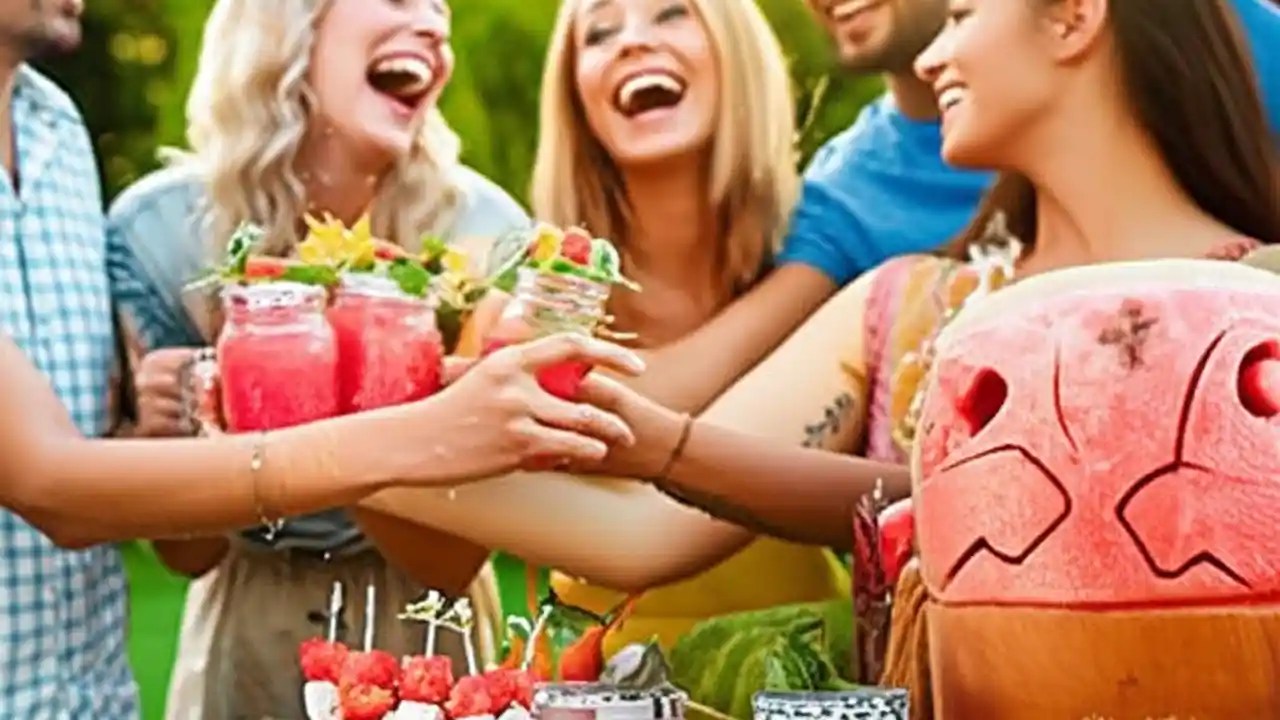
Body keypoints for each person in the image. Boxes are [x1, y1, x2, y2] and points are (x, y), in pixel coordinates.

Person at [356, 0, 1277, 701]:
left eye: (960, 13)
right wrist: (324, 443)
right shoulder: (902, 300)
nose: (931, 53)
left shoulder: (1261, 298)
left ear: (1074, 15)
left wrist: (668, 444)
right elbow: (644, 534)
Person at [104, 0, 524, 716]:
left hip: (427, 628)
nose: (433, 23)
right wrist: (165, 430)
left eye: (440, 6)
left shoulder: (484, 236)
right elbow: (189, 556)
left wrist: (313, 390)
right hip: (245, 624)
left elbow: (452, 562)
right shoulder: (158, 236)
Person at [2, 332, 641, 544]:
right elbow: (51, 489)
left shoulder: (58, 127)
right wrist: (425, 433)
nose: (431, 22)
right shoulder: (157, 216)